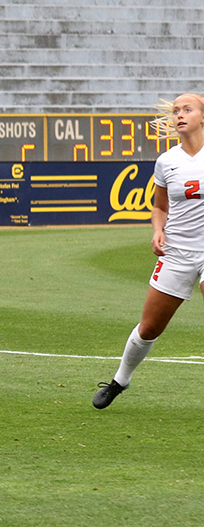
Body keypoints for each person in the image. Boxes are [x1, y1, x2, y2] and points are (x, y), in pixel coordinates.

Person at [94, 93, 204, 409]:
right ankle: (120, 380)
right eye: (175, 111)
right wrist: (158, 230)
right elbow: (159, 207)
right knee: (149, 328)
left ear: (202, 117)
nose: (179, 115)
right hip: (177, 252)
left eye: (187, 109)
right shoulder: (167, 161)